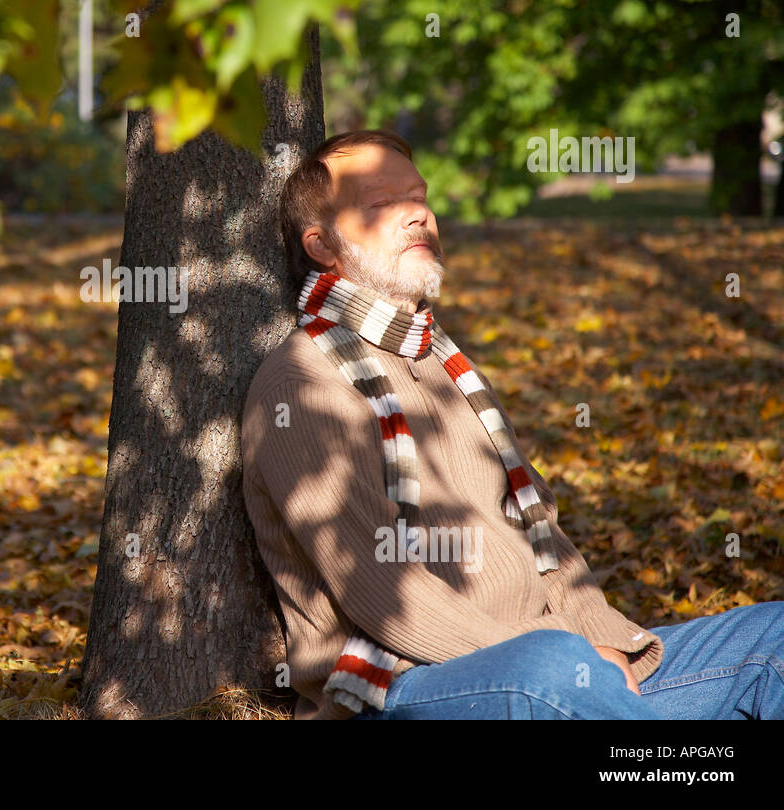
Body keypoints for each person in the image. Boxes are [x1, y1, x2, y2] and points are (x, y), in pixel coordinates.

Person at [240, 129, 784, 719]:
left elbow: (542, 534)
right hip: (405, 687)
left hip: (553, 669)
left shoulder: (446, 364)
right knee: (549, 673)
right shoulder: (302, 384)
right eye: (383, 204)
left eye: (420, 197)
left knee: (773, 639)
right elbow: (381, 594)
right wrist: (570, 658)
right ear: (322, 245)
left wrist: (601, 645)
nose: (419, 214)